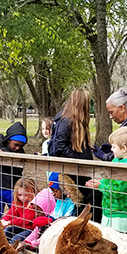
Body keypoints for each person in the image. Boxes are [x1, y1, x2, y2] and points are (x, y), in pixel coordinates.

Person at [48, 88, 100, 219]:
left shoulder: (75, 120)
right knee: (87, 199)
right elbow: (59, 146)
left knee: (91, 197)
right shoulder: (66, 120)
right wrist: (78, 159)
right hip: (73, 170)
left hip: (80, 170)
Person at [86, 127, 127, 233]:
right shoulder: (117, 160)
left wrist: (99, 186)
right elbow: (110, 180)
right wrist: (100, 182)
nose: (111, 149)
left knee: (118, 242)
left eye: (113, 147)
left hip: (121, 214)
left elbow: (117, 190)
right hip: (109, 210)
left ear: (124, 148)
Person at [1, 177, 37, 245]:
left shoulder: (34, 203)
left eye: (26, 195)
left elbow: (25, 219)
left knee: (15, 240)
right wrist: (4, 220)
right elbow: (11, 213)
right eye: (19, 195)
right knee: (5, 233)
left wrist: (9, 222)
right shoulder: (17, 201)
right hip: (21, 227)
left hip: (32, 229)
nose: (22, 198)